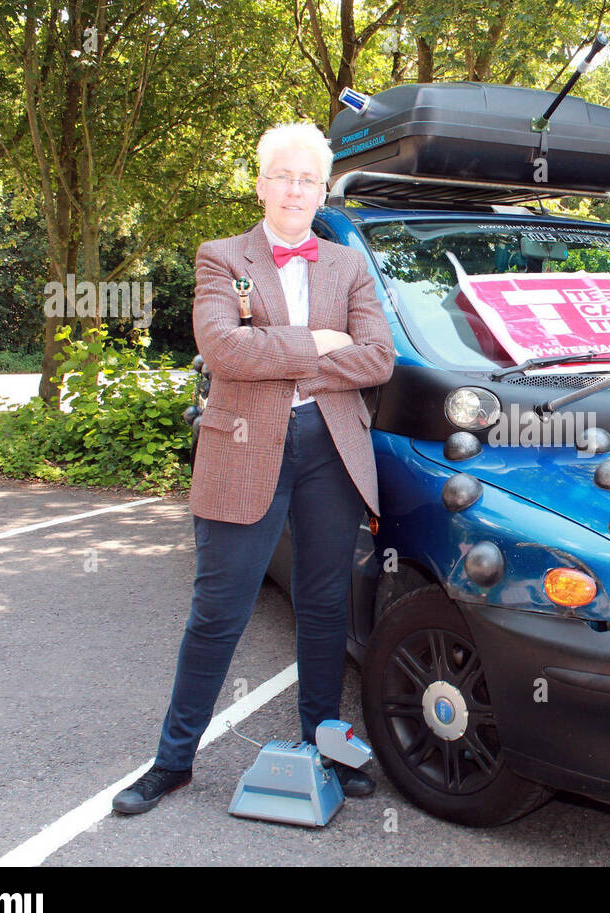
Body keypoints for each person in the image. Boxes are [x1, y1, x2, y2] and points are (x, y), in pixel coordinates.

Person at [113, 122, 395, 814]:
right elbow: (224, 351)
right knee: (218, 611)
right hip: (242, 448)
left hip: (331, 451)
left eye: (308, 179)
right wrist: (319, 344)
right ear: (262, 182)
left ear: (321, 189)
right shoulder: (221, 257)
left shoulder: (349, 265)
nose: (296, 189)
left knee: (325, 608)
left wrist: (280, 350)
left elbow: (378, 359)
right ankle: (173, 761)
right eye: (284, 175)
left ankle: (326, 746)